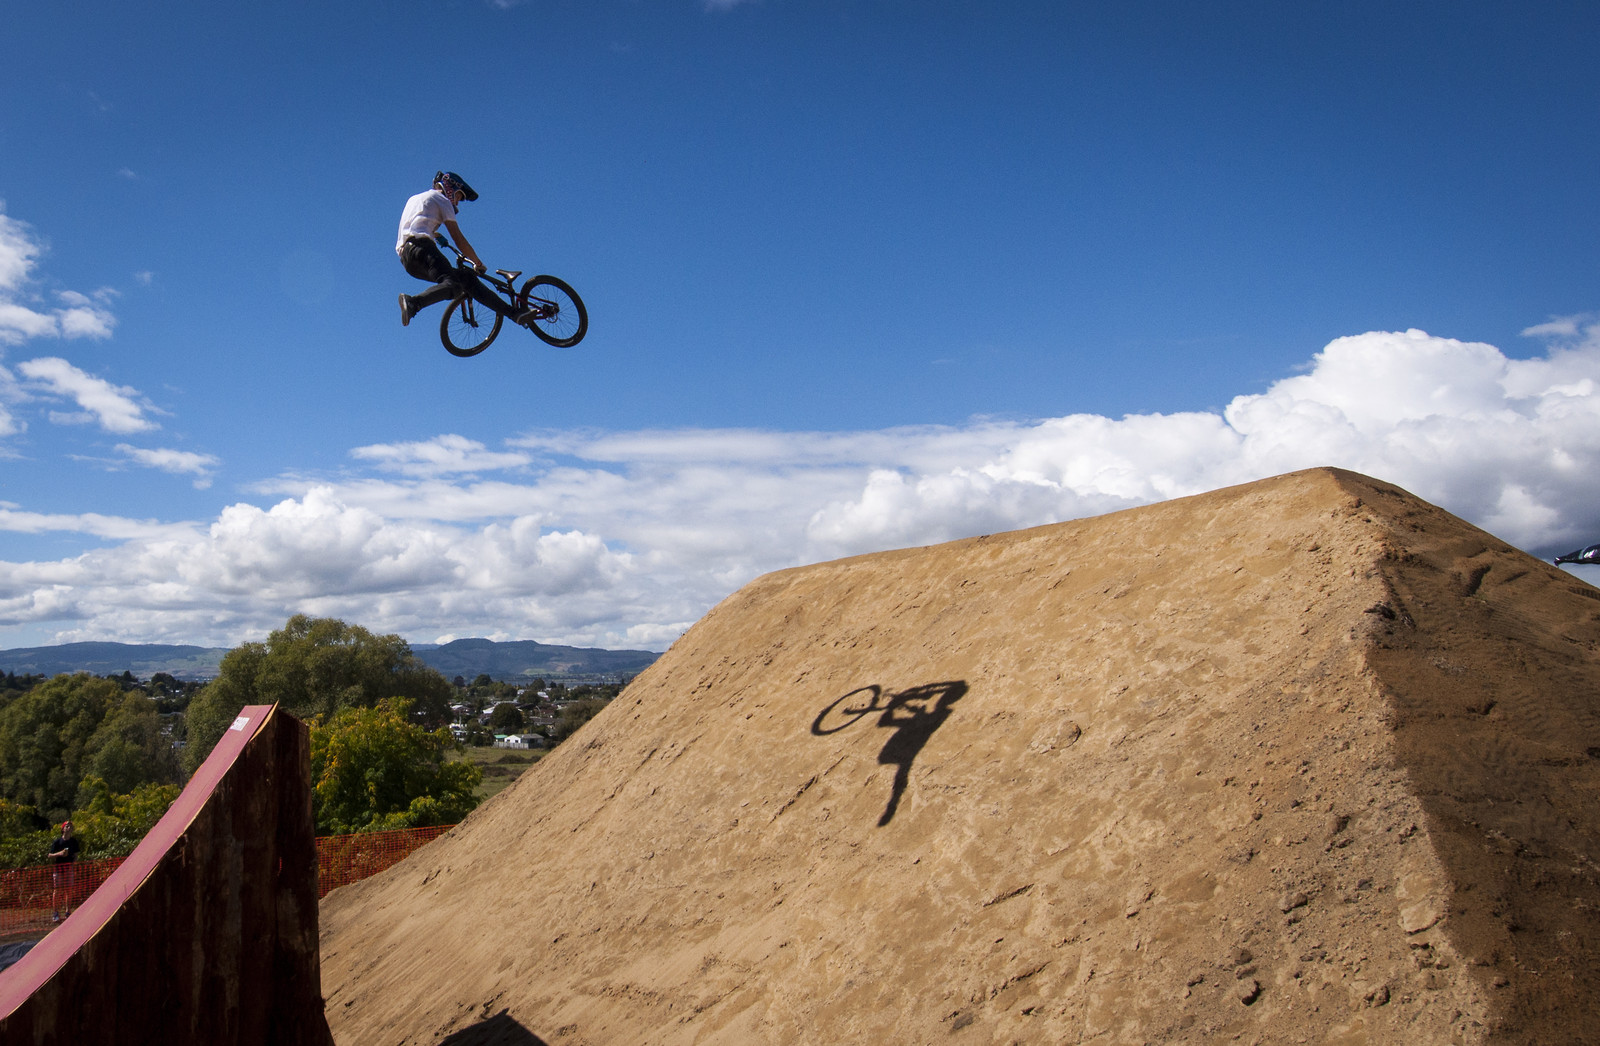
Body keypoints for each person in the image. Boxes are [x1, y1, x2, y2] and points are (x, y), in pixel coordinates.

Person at [395, 171, 536, 328]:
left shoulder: (415, 198)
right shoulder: (442, 200)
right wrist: (477, 262)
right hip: (422, 249)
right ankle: (414, 302)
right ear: (451, 188)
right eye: (459, 197)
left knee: (466, 279)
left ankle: (514, 314)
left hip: (408, 260)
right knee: (453, 285)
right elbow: (458, 238)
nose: (457, 203)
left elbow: (415, 224)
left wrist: (435, 235)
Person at [48, 820, 79, 922]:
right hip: (58, 869)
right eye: (67, 826)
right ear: (63, 829)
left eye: (70, 826)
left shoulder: (73, 841)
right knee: (57, 891)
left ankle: (68, 912)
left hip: (69, 868)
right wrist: (60, 854)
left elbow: (76, 855)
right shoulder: (57, 842)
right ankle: (55, 913)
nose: (69, 828)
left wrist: (73, 863)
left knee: (69, 890)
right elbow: (50, 855)